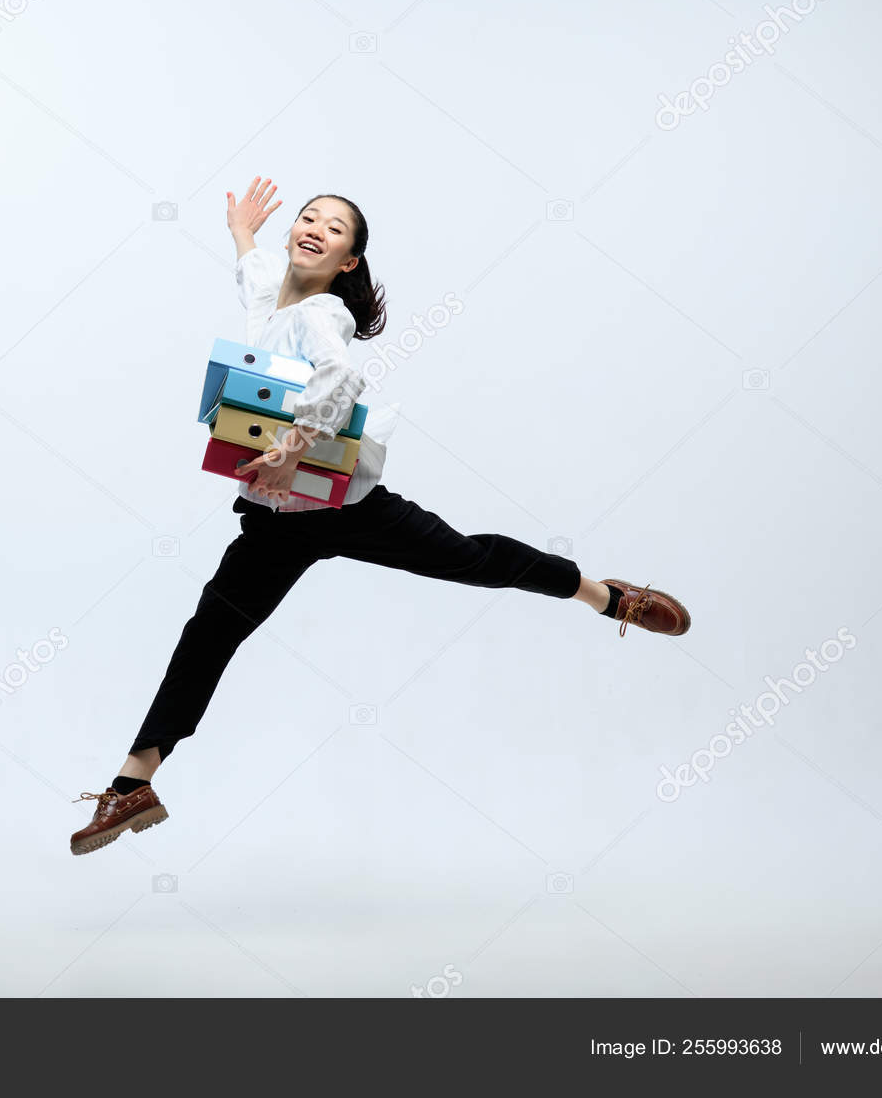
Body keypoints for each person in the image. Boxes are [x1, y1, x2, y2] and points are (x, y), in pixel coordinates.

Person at [70, 177, 690, 856]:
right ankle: (134, 783)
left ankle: (607, 596)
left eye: (335, 228)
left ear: (349, 263)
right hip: (274, 523)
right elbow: (253, 270)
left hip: (347, 508)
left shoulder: (322, 314)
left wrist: (291, 447)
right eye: (309, 217)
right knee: (209, 633)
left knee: (475, 559)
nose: (315, 226)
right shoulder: (271, 291)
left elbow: (342, 379)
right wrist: (242, 229)